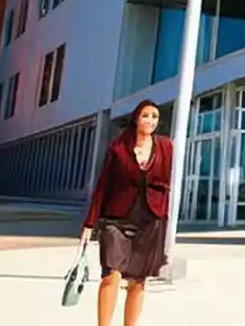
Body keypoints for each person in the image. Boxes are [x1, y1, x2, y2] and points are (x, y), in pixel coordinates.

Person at [82, 100, 171, 326]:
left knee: (138, 281)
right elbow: (104, 184)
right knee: (111, 275)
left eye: (154, 116)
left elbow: (166, 184)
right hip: (117, 219)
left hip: (149, 220)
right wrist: (90, 222)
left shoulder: (165, 146)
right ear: (136, 118)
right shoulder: (119, 147)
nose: (150, 120)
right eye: (146, 115)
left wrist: (163, 219)